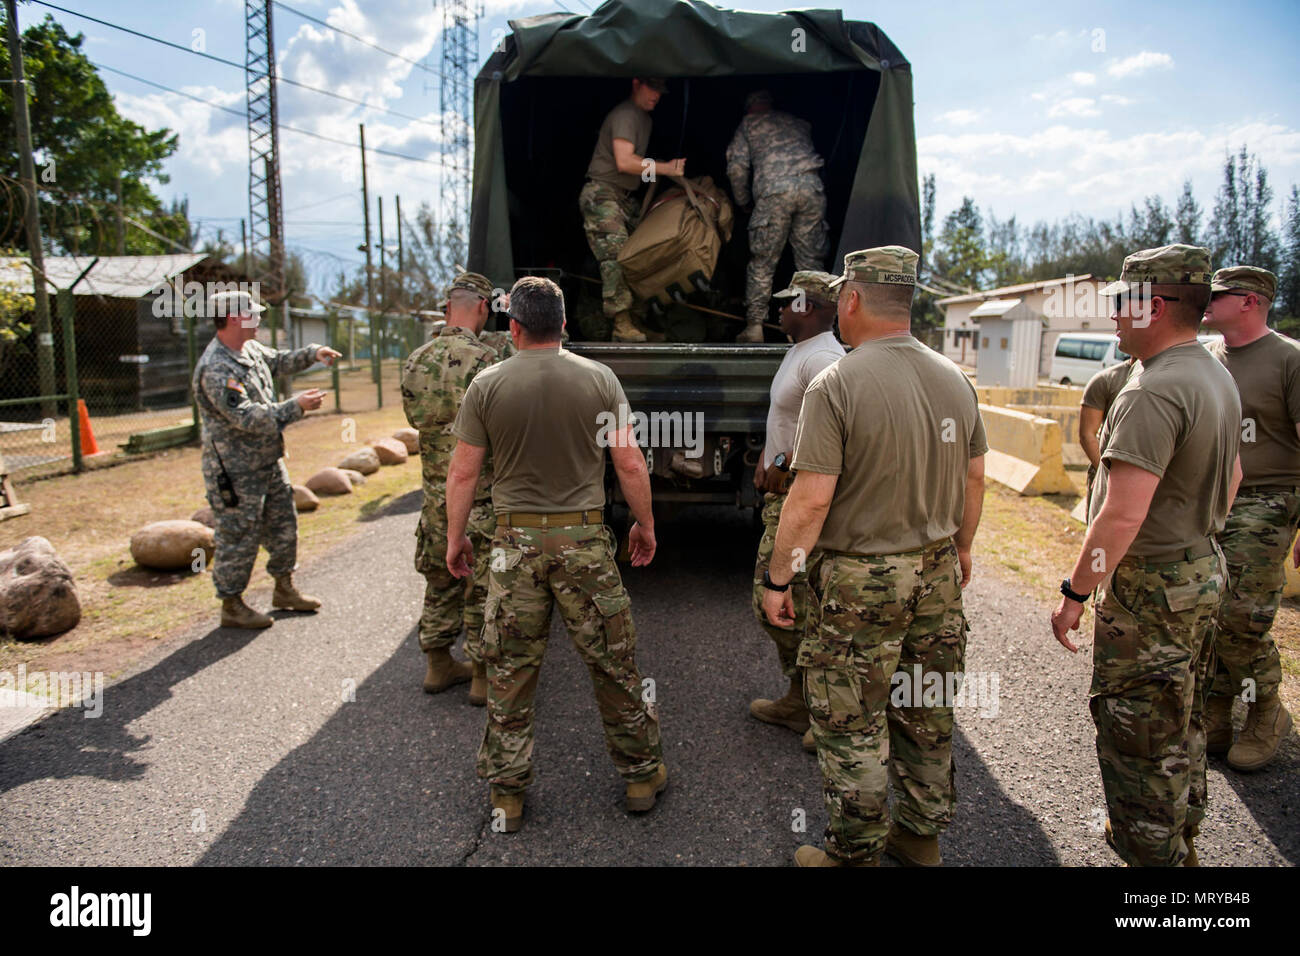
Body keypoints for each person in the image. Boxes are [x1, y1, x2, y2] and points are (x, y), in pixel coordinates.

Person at [761, 247, 987, 867]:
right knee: (925, 708)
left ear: (852, 300)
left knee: (850, 716)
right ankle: (920, 837)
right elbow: (973, 479)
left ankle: (853, 852)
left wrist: (781, 577)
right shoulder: (953, 377)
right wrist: (963, 546)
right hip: (937, 569)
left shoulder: (838, 381)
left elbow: (808, 501)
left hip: (863, 579)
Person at [444, 275, 666, 832]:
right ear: (564, 324)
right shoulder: (600, 379)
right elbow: (630, 462)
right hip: (585, 542)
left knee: (510, 668)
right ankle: (640, 775)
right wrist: (644, 523)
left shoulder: (486, 384)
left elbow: (464, 471)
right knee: (612, 661)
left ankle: (508, 795)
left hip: (512, 546)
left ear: (512, 326)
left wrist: (455, 537)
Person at [1051, 244, 1241, 867]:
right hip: (1200, 566)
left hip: (1153, 587)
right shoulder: (1213, 372)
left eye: (1120, 304)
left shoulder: (1153, 390)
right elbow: (1234, 474)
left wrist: (1076, 594)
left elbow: (1122, 515)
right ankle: (1177, 837)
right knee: (1180, 716)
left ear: (1154, 306)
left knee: (1138, 734)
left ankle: (1152, 860)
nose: (1112, 317)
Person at [193, 289, 340, 628]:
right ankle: (232, 604)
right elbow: (248, 418)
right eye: (253, 314)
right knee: (238, 535)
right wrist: (297, 406)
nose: (259, 319)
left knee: (284, 525)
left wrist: (313, 353)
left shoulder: (250, 349)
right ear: (233, 318)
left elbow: (278, 361)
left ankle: (284, 588)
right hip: (235, 471)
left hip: (268, 461)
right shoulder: (216, 367)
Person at [1201, 265, 1298, 771]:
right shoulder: (1209, 357)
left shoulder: (1288, 359)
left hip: (1267, 500)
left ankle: (1266, 710)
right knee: (1208, 607)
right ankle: (1218, 706)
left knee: (1243, 614)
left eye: (1219, 295)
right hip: (1214, 499)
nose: (1206, 301)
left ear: (1251, 301)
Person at [749, 271, 844, 743]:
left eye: (788, 302)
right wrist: (768, 458)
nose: (780, 309)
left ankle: (822, 708)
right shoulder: (800, 350)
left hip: (798, 500)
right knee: (789, 601)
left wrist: (786, 464)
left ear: (808, 306)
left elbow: (828, 431)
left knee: (789, 601)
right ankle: (801, 698)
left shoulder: (825, 356)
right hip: (781, 493)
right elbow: (789, 417)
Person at [401, 272, 503, 701]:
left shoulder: (414, 359)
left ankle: (438, 665)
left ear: (448, 307)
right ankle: (481, 675)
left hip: (435, 495)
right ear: (482, 307)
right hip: (480, 497)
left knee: (440, 577)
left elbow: (416, 423)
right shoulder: (487, 362)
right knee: (483, 581)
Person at [579, 77, 685, 342]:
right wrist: (666, 168)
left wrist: (657, 171)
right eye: (652, 88)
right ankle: (622, 323)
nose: (657, 96)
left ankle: (636, 320)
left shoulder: (643, 119)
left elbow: (636, 166)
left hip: (624, 197)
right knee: (616, 257)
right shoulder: (626, 114)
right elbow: (625, 162)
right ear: (637, 84)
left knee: (641, 255)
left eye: (661, 91)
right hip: (602, 194)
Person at [726, 90, 829, 343]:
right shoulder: (797, 123)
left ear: (750, 107)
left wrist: (743, 202)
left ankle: (755, 327)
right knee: (810, 266)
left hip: (774, 193)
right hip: (811, 189)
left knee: (763, 262)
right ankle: (812, 332)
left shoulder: (749, 124)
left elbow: (737, 167)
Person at [1079, 356, 1136, 512]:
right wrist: (1105, 474)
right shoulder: (1106, 380)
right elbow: (1087, 434)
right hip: (1108, 466)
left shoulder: (1169, 379)